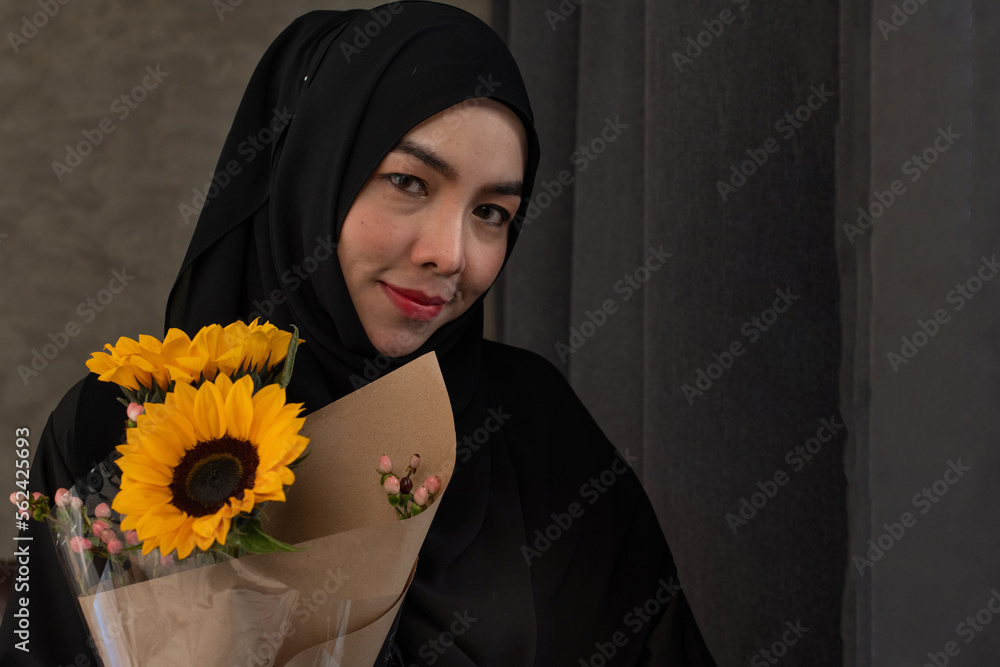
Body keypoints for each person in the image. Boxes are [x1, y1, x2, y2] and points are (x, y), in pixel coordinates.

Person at [1, 3, 717, 665]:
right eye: (409, 182)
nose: (452, 253)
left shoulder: (539, 427)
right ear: (314, 172)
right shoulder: (117, 428)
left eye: (492, 212)